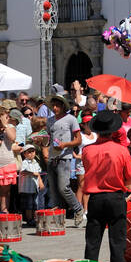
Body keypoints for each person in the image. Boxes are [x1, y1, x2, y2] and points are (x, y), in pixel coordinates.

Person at [81, 109, 131, 262]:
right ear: (113, 130)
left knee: (92, 244)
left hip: (95, 199)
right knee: (117, 244)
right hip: (115, 197)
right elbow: (130, 177)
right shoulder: (121, 150)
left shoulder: (87, 150)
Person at [47, 96, 84, 226]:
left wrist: (65, 145)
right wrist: (41, 141)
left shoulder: (71, 119)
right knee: (54, 191)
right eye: (53, 105)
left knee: (64, 187)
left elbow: (79, 140)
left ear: (63, 106)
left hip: (64, 158)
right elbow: (48, 139)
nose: (55, 108)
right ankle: (58, 219)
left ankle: (78, 209)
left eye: (57, 105)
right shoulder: (50, 121)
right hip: (52, 157)